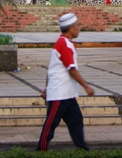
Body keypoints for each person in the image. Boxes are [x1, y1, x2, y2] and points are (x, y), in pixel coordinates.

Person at [37, 12, 94, 151]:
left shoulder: (63, 43)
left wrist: (46, 88)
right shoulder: (65, 45)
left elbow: (51, 69)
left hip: (67, 93)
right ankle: (41, 150)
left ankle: (82, 148)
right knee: (51, 123)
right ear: (70, 28)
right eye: (77, 25)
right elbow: (72, 70)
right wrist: (86, 87)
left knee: (76, 120)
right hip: (59, 93)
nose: (79, 28)